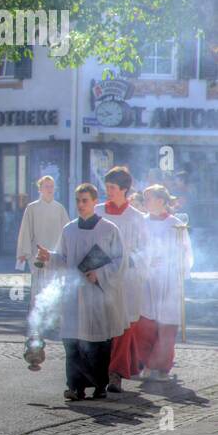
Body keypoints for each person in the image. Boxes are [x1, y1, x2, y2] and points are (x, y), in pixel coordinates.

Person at [37, 183, 127, 401]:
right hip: (73, 295)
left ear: (95, 201)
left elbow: (120, 261)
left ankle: (99, 386)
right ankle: (75, 387)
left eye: (85, 200)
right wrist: (49, 257)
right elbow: (64, 259)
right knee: (73, 343)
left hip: (97, 295)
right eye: (77, 200)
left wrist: (100, 274)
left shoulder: (109, 229)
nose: (80, 204)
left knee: (97, 344)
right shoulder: (69, 229)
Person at [95, 165, 148, 392]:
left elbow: (146, 249)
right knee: (100, 324)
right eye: (106, 187)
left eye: (113, 187)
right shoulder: (97, 212)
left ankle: (116, 373)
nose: (108, 191)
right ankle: (98, 371)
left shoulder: (136, 218)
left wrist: (129, 260)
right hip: (99, 276)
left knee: (123, 325)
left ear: (125, 189)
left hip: (126, 280)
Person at [137, 184, 193, 381]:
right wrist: (144, 261)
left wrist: (181, 268)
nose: (145, 202)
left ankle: (162, 368)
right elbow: (135, 249)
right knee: (145, 324)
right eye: (144, 198)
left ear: (161, 201)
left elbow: (186, 251)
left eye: (148, 198)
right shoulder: (140, 223)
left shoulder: (175, 224)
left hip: (169, 279)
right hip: (147, 278)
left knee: (167, 325)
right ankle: (146, 365)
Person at [16, 175, 69, 314]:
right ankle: (36, 321)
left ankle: (54, 320)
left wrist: (68, 252)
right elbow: (26, 231)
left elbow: (68, 231)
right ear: (40, 189)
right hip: (37, 254)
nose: (50, 189)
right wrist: (23, 253)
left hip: (55, 255)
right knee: (38, 289)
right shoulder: (32, 208)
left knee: (56, 287)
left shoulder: (60, 208)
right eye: (46, 186)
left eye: (52, 186)